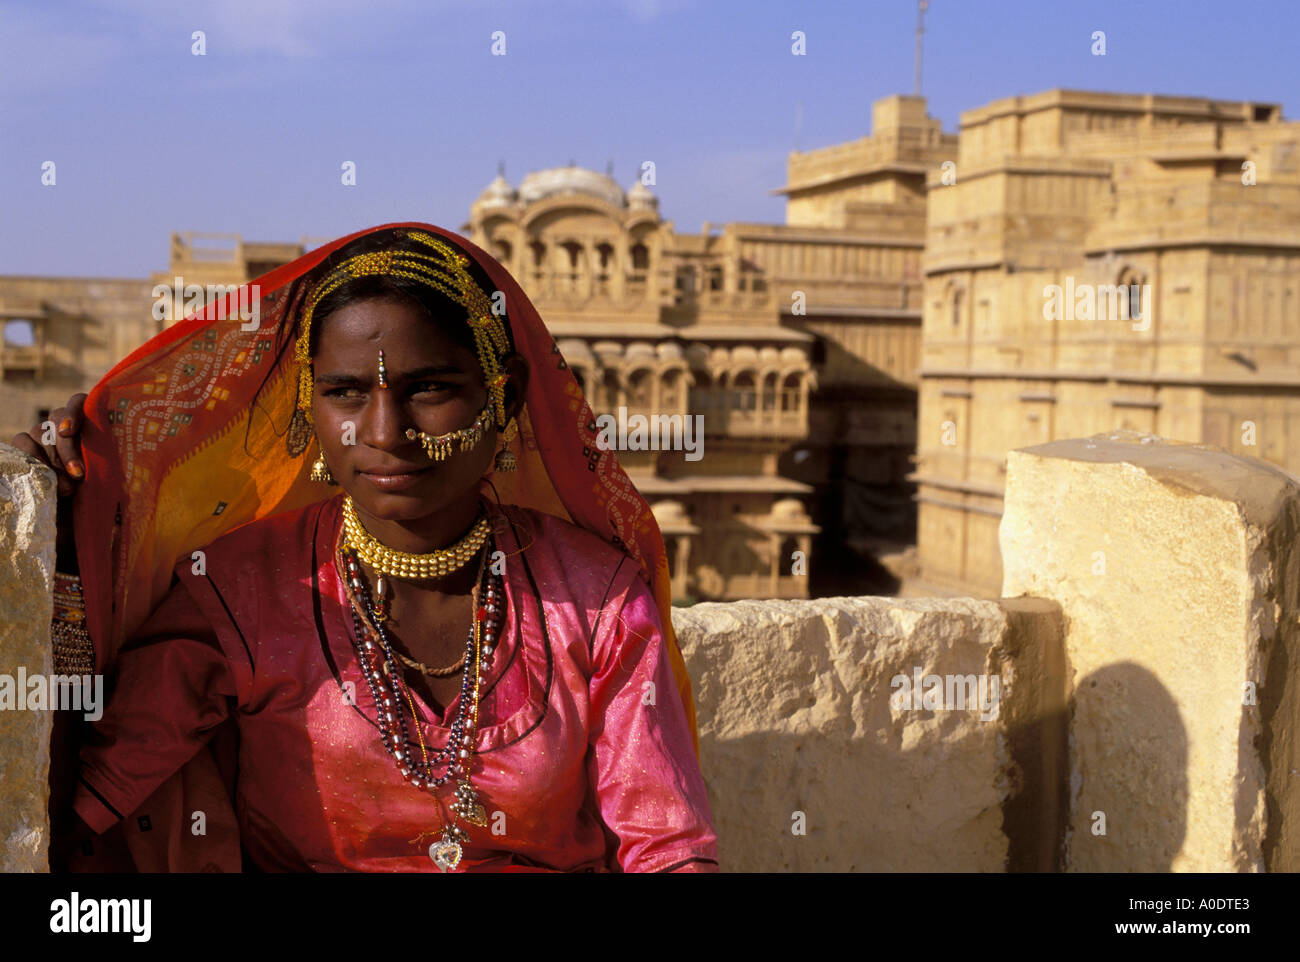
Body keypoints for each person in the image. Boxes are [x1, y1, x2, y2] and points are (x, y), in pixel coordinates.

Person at [17, 223, 718, 873]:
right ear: (308, 406)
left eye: (430, 389)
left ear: (503, 396)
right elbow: (85, 802)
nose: (383, 431)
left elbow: (669, 847)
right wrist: (73, 524)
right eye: (346, 392)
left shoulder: (597, 600)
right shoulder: (245, 590)